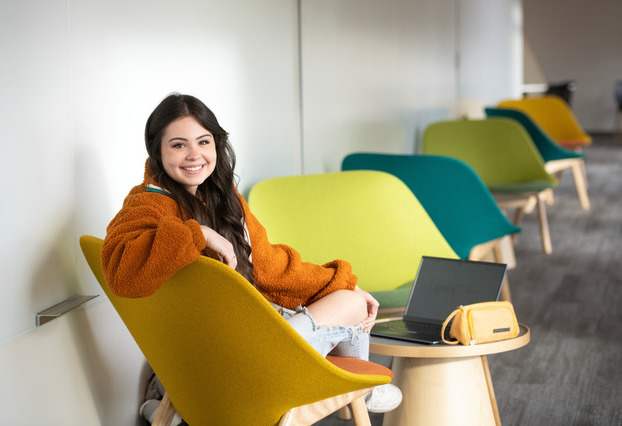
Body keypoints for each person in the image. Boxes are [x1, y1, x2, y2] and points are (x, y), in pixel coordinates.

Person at [102, 93, 402, 424]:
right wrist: (196, 234)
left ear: (217, 144)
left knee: (349, 300)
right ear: (157, 151)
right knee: (349, 307)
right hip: (229, 359)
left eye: (203, 141)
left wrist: (341, 283)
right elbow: (122, 273)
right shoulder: (147, 204)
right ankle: (357, 389)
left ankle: (323, 372)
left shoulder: (223, 198)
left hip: (239, 344)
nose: (194, 155)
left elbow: (274, 268)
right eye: (178, 145)